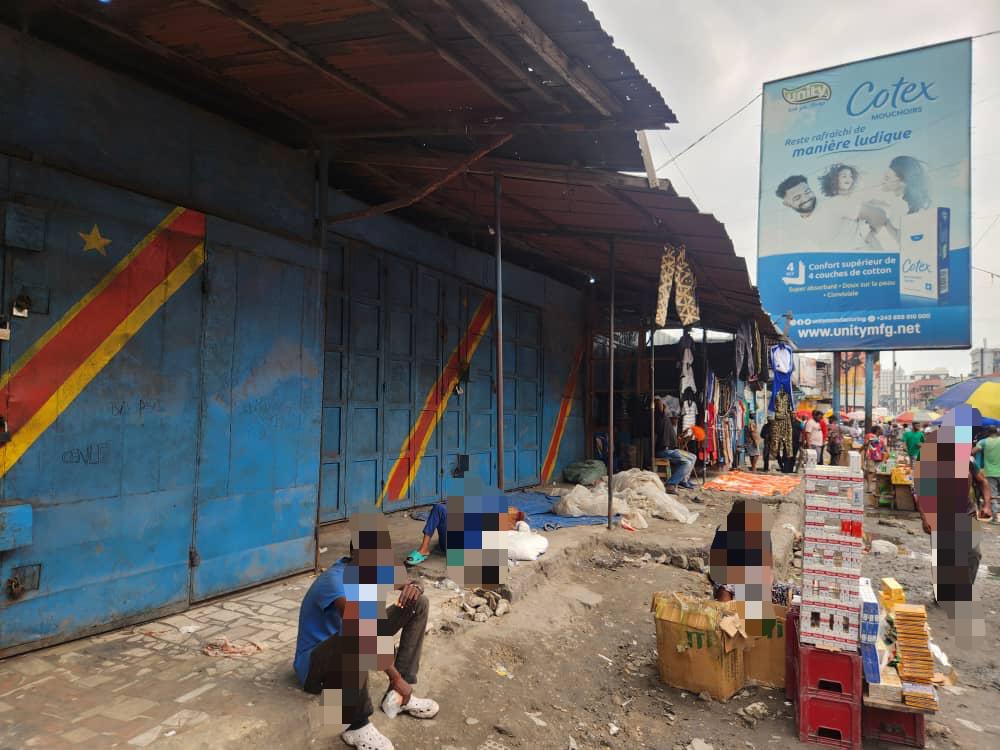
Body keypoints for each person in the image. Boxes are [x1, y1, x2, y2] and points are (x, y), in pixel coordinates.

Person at [294, 514, 438, 750]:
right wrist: (394, 675)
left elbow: (409, 581)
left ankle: (398, 697)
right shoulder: (334, 581)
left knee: (418, 604)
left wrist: (415, 587)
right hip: (315, 667)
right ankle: (355, 725)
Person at [654, 397, 696, 492]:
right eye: (675, 419)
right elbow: (659, 404)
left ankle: (683, 480)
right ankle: (670, 484)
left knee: (693, 457)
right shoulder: (660, 418)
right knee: (686, 462)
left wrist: (684, 436)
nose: (676, 421)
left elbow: (676, 441)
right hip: (664, 451)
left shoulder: (668, 425)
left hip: (671, 450)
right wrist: (659, 402)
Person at [972, 425, 1000, 524]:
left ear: (988, 432)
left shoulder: (983, 441)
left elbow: (973, 452)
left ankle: (995, 517)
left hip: (990, 472)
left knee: (993, 494)